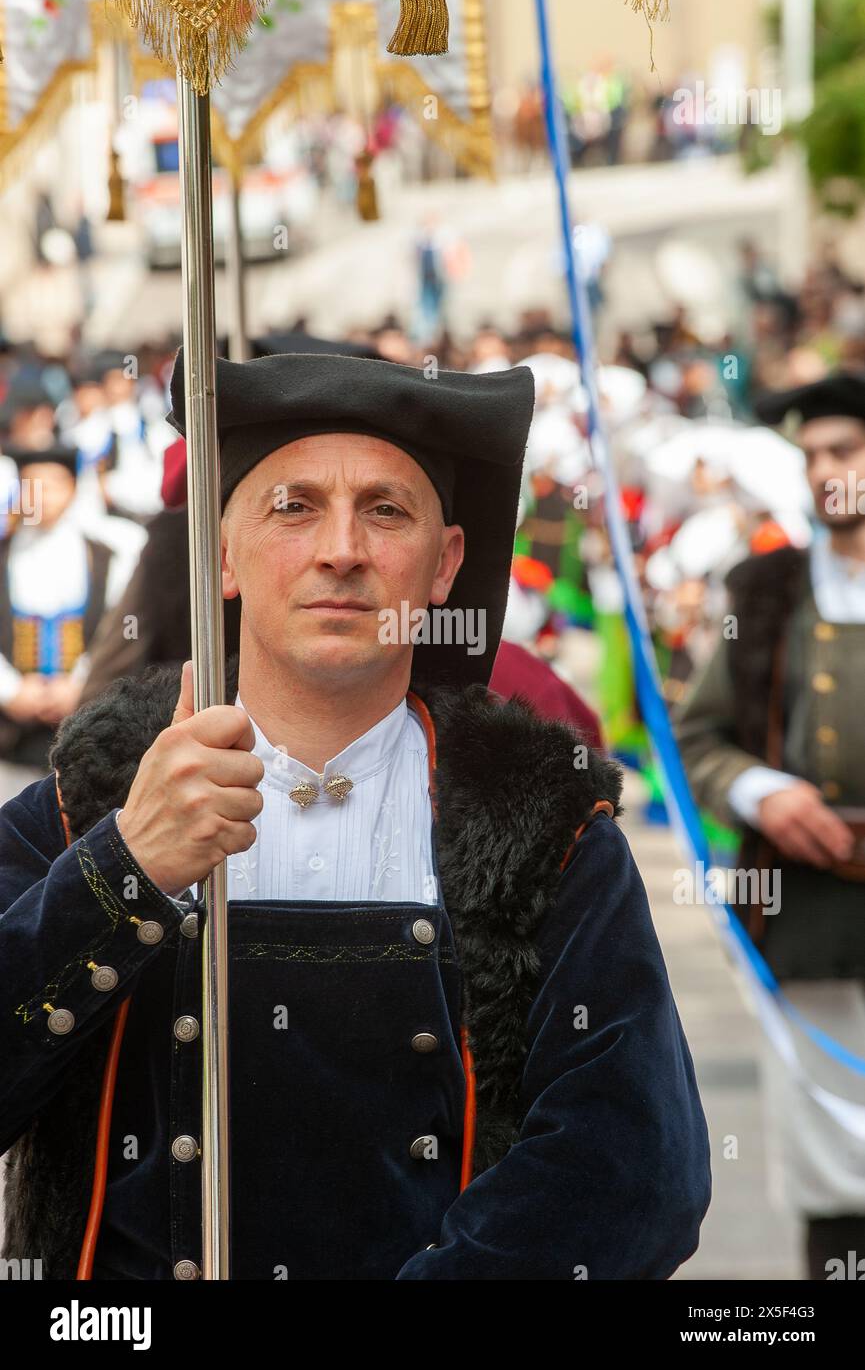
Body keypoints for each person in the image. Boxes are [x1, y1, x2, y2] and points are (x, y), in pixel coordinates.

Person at [0, 349, 710, 1280]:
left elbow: (634, 1167)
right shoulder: (77, 803)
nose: (342, 548)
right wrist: (124, 869)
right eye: (293, 507)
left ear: (445, 562)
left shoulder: (548, 831)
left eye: (386, 509)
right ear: (222, 553)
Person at [676, 371, 865, 1279]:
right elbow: (700, 736)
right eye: (814, 453)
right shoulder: (768, 591)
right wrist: (763, 794)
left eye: (847, 451)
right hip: (809, 919)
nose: (827, 469)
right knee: (832, 1158)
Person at [0, 444, 138, 801]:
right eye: (33, 485)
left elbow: (118, 631)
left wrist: (80, 683)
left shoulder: (105, 555)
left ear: (74, 488)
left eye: (53, 484)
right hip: (9, 736)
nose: (42, 496)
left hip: (85, 725)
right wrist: (12, 691)